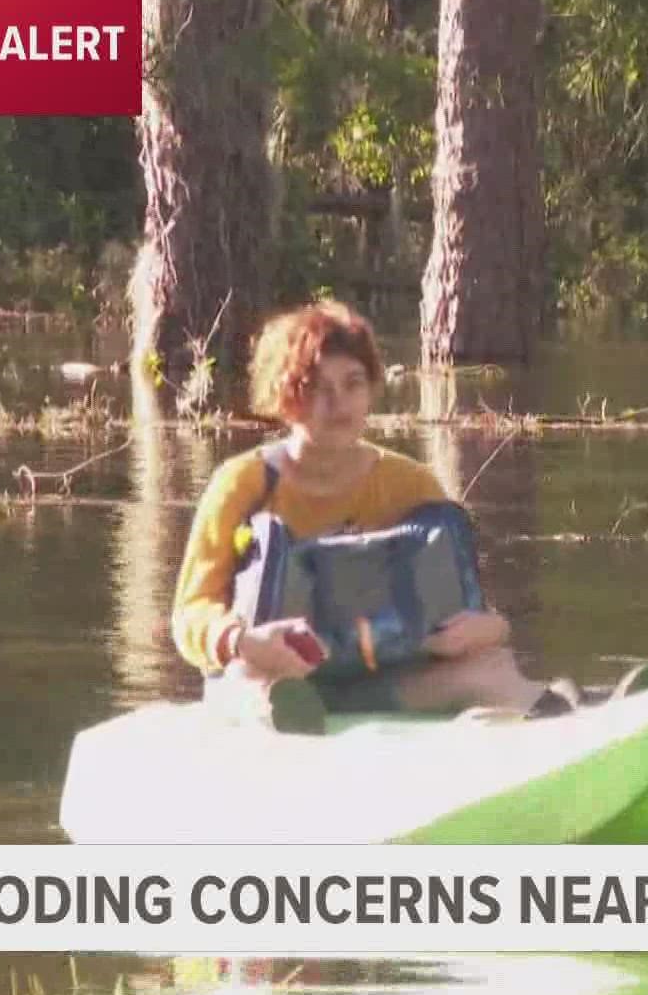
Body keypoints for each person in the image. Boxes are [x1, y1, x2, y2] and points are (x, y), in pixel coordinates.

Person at [171, 299, 580, 731]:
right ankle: (291, 729)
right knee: (250, 684)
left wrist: (493, 628)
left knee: (493, 665)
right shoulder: (240, 483)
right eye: (317, 387)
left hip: (382, 681)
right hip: (271, 678)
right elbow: (190, 613)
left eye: (353, 384)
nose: (339, 403)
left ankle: (578, 718)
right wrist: (239, 641)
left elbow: (461, 603)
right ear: (286, 395)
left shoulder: (410, 483)